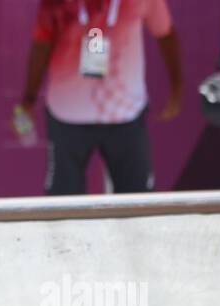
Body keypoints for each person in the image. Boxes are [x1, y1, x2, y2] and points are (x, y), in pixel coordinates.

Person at [17, 0, 182, 196]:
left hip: (125, 113)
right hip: (68, 114)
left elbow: (165, 34)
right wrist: (28, 100)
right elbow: (42, 44)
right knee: (63, 206)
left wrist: (176, 89)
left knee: (138, 203)